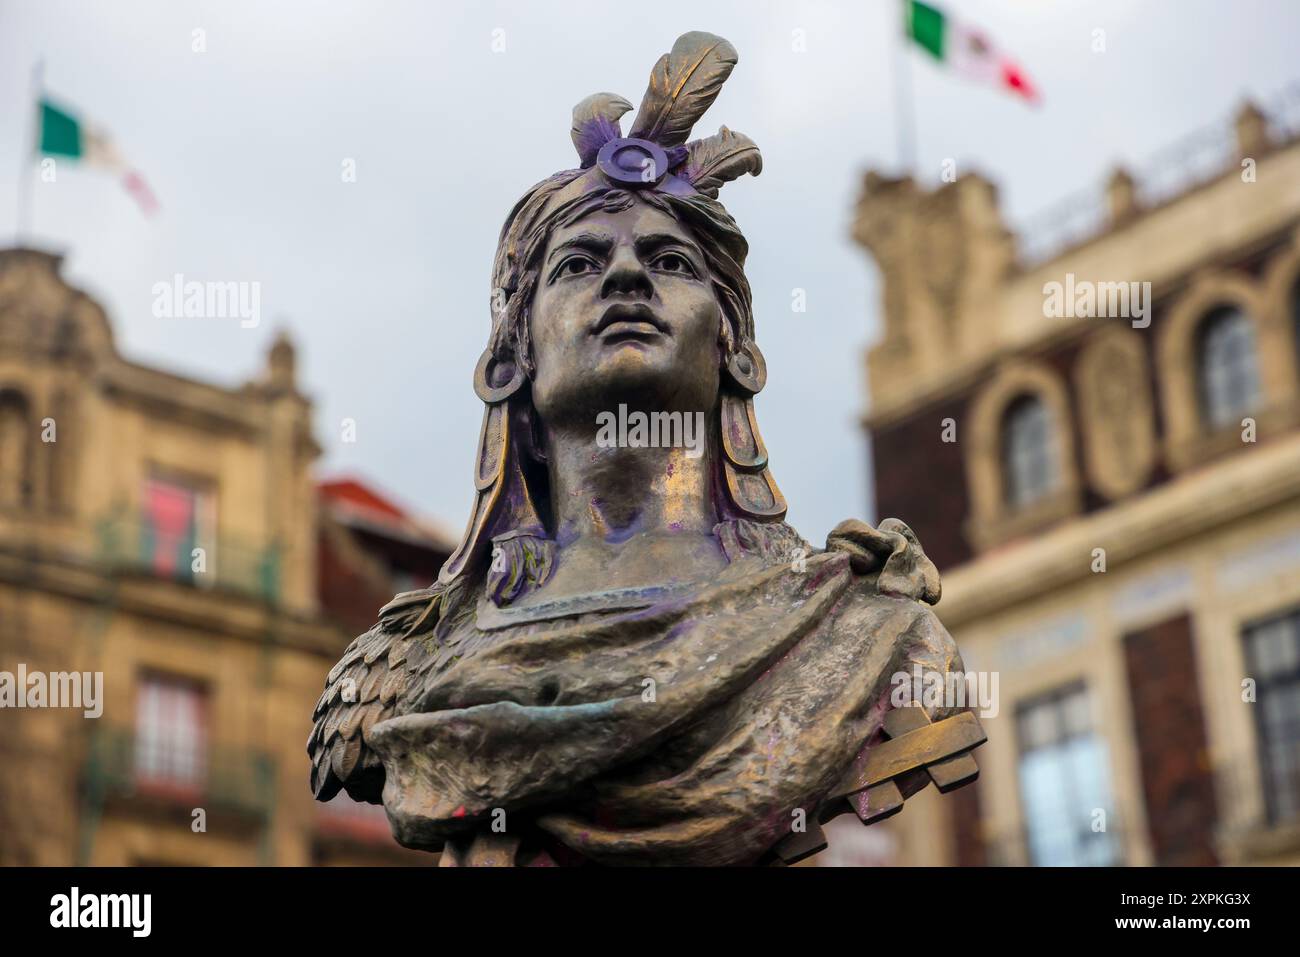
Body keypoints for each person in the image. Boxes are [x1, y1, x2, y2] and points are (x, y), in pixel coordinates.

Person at [309, 31, 969, 866]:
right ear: (513, 356)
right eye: (580, 263)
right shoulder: (413, 663)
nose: (627, 277)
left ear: (735, 347)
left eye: (668, 259)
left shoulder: (869, 636)